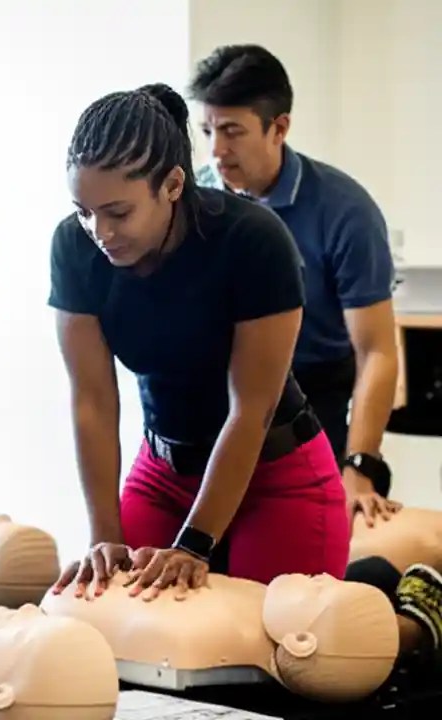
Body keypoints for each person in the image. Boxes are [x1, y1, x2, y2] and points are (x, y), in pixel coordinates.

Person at [46, 83, 349, 599]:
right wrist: (104, 534)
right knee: (112, 611)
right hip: (163, 473)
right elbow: (93, 402)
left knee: (280, 642)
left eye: (118, 213)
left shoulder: (252, 239)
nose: (99, 231)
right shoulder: (74, 246)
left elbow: (250, 408)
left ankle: (409, 607)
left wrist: (195, 544)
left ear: (172, 184)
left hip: (273, 473)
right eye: (84, 210)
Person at [189, 45, 401, 527]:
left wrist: (360, 466)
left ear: (279, 128)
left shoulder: (347, 211)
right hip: (219, 391)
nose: (216, 151)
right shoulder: (197, 199)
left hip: (311, 392)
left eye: (232, 132)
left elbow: (377, 352)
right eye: (207, 132)